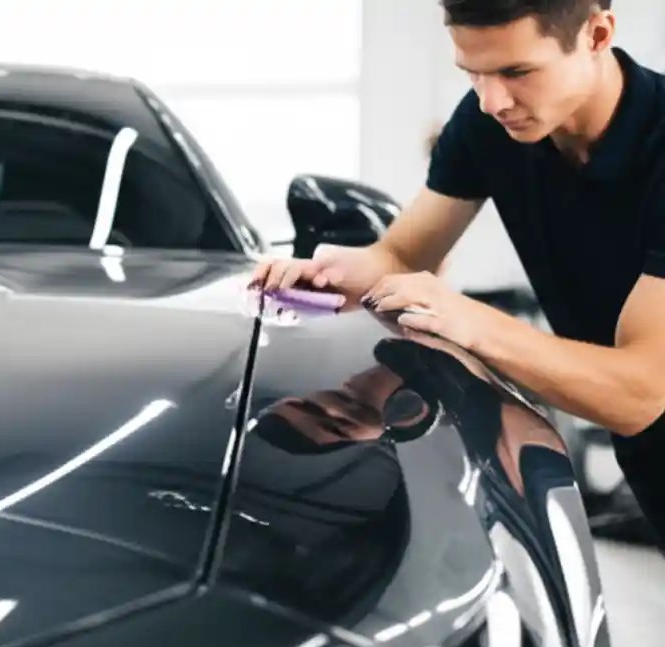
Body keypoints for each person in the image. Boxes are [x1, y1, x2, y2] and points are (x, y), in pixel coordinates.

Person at [250, 0, 665, 551]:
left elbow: (641, 392)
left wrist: (466, 320)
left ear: (596, 33)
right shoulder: (488, 124)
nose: (492, 100)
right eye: (473, 73)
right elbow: (402, 253)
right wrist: (337, 273)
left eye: (517, 71)